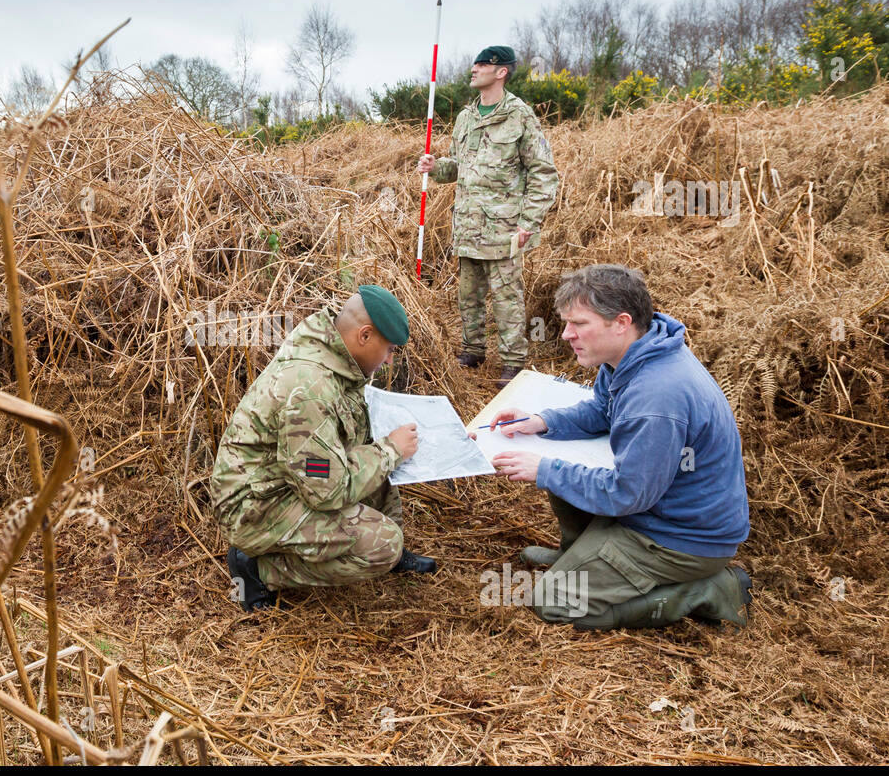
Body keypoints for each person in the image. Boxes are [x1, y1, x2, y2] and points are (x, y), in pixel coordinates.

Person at [483, 264, 753, 630]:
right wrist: (544, 422)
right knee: (559, 450)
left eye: (579, 324)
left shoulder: (657, 395)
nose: (566, 334)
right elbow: (601, 410)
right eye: (566, 323)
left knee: (553, 601)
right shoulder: (630, 355)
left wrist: (544, 469)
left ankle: (711, 589)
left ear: (621, 322)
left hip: (682, 538)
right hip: (658, 507)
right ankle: (577, 554)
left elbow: (629, 493)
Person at [209, 286, 435, 612]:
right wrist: (389, 451)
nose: (388, 361)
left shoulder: (333, 353)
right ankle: (256, 569)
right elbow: (327, 492)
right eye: (388, 350)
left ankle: (394, 556)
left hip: (285, 478)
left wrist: (385, 450)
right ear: (365, 335)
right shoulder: (310, 388)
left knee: (373, 456)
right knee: (383, 543)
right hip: (253, 506)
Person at [417, 45, 558, 389]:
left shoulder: (519, 115)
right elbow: (460, 167)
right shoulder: (466, 117)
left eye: (483, 64)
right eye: (475, 62)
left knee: (507, 296)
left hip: (505, 227)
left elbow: (544, 172)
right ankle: (473, 348)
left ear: (501, 72)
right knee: (469, 295)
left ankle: (512, 361)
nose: (474, 68)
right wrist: (437, 168)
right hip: (468, 225)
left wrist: (528, 222)